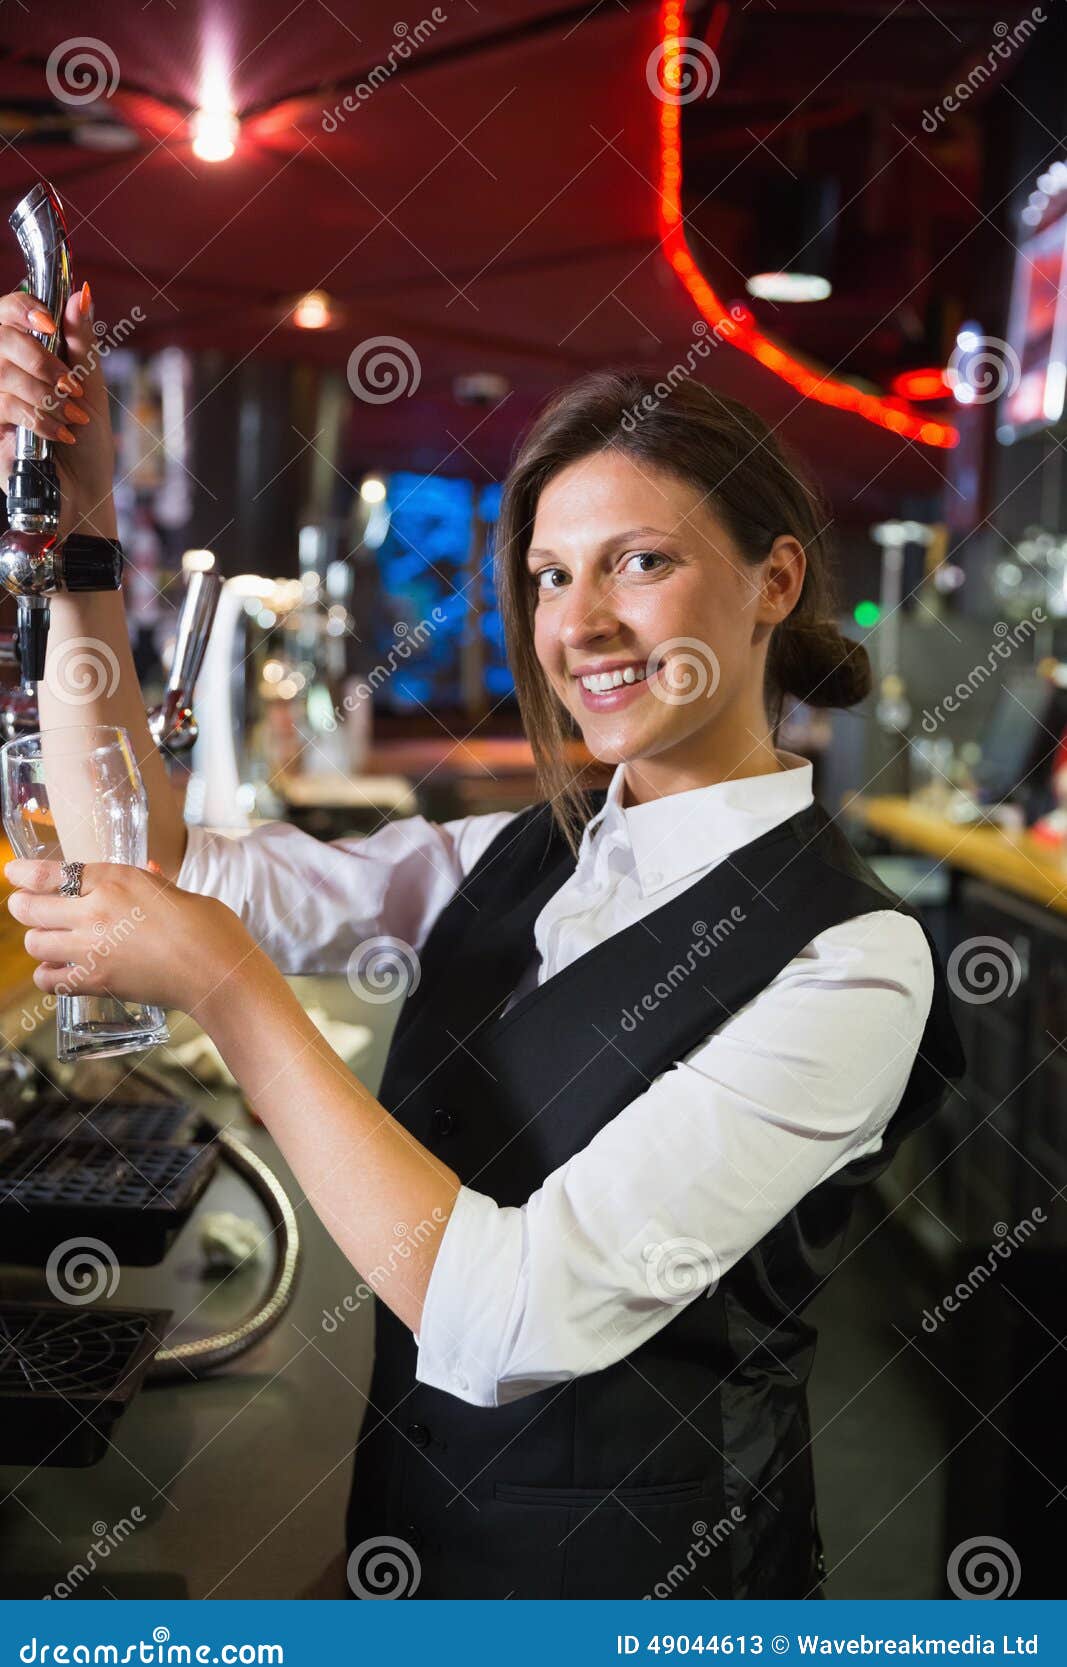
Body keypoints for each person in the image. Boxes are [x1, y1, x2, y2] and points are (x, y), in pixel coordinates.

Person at [0, 291, 964, 1600]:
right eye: (553, 576)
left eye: (640, 561)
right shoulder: (511, 855)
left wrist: (229, 989)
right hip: (420, 1536)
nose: (582, 624)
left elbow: (514, 1315)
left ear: (774, 581)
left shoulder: (855, 960)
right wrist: (84, 526)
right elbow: (149, 859)